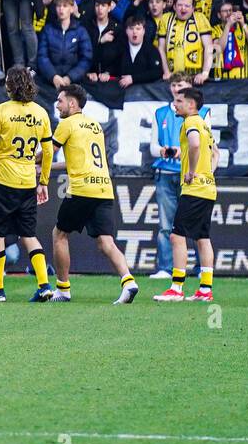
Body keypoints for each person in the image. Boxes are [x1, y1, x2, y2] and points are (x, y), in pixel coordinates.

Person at [49, 83, 140, 304]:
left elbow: (48, 152)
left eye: (60, 100)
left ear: (72, 103)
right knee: (105, 242)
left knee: (59, 235)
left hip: (82, 189)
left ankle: (63, 289)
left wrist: (24, 161)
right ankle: (128, 282)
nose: (57, 104)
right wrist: (49, 167)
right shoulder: (94, 125)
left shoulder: (67, 123)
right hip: (103, 188)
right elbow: (77, 161)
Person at [0, 66, 53, 303]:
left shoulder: (0, 111)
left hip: (3, 180)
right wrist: (43, 181)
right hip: (27, 180)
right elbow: (48, 152)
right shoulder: (40, 112)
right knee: (28, 234)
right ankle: (44, 285)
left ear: (10, 85)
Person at [154, 86, 218, 303]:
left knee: (176, 235)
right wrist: (208, 172)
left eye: (180, 101)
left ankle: (176, 288)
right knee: (202, 237)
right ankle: (205, 289)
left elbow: (194, 144)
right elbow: (215, 153)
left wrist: (191, 171)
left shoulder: (190, 122)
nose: (175, 104)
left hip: (195, 188)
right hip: (208, 187)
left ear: (191, 105)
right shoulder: (205, 125)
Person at [149, 73, 208, 281]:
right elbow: (152, 146)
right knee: (166, 225)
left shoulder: (202, 113)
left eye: (180, 85)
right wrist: (163, 150)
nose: (176, 88)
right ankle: (166, 268)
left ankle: (200, 268)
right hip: (165, 173)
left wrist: (194, 167)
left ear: (190, 87)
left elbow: (205, 144)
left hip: (190, 177)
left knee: (196, 226)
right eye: (173, 85)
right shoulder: (160, 112)